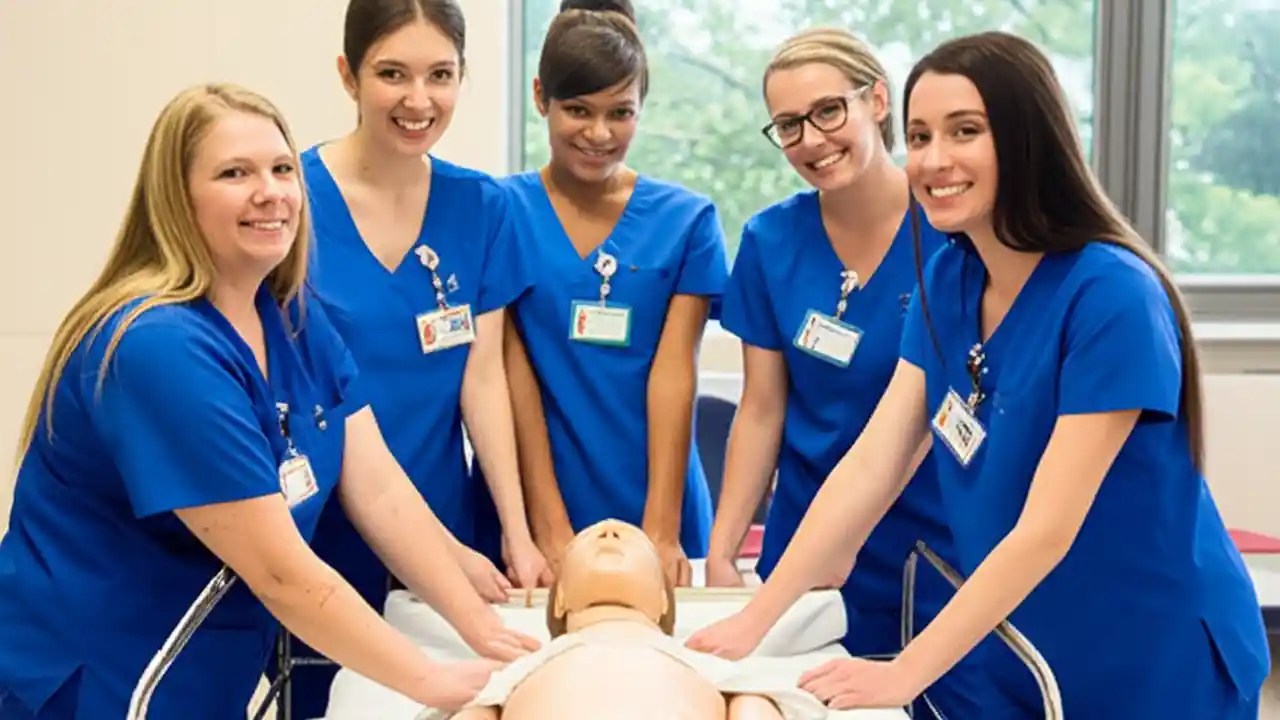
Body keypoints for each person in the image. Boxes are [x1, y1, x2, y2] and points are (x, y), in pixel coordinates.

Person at [686, 31, 1272, 717]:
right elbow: (875, 462)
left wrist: (904, 674)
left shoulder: (1111, 296)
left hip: (1153, 648)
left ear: (1028, 138)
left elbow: (1047, 529)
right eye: (921, 136)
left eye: (965, 131)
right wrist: (755, 622)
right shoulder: (950, 278)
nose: (935, 160)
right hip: (1026, 631)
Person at [0, 83, 539, 720]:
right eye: (236, 173)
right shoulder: (158, 350)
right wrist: (429, 682)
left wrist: (482, 630)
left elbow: (381, 491)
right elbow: (284, 575)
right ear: (177, 197)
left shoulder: (293, 321)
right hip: (101, 677)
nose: (271, 191)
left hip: (197, 674)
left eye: (282, 168)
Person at [704, 27, 1002, 718]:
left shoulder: (955, 237)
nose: (810, 139)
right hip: (806, 548)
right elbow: (760, 409)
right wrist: (723, 547)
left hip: (935, 545)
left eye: (827, 112)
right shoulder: (770, 241)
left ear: (875, 101)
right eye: (787, 125)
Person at [294, 1, 546, 713]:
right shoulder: (293, 203)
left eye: (441, 74)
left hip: (445, 523)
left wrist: (516, 534)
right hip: (325, 526)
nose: (418, 99)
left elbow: (484, 377)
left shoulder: (480, 206)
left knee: (452, 698)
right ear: (349, 75)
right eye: (392, 74)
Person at [497, 0, 730, 589]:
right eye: (578, 110)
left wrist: (662, 530)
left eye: (620, 113)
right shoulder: (499, 212)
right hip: (535, 504)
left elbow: (676, 375)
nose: (599, 134)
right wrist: (547, 527)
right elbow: (511, 375)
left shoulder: (686, 220)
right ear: (539, 97)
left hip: (660, 500)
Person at [446, 519, 827, 720]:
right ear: (559, 597)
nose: (610, 528)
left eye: (630, 538)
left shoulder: (701, 666)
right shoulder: (524, 669)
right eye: (592, 537)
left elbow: (755, 705)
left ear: (664, 599)